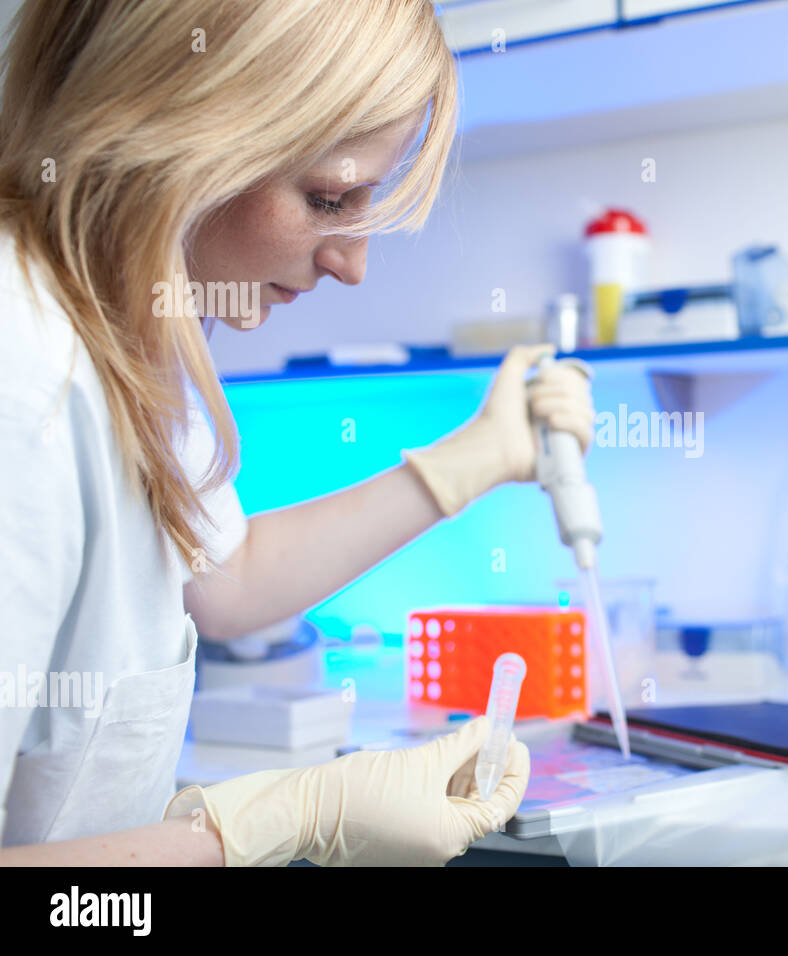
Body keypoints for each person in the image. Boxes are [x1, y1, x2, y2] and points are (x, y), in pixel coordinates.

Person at [0, 0, 594, 866]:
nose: (350, 263)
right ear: (176, 123)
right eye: (327, 199)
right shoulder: (23, 370)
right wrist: (259, 825)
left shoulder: (131, 347)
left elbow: (227, 577)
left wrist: (478, 459)